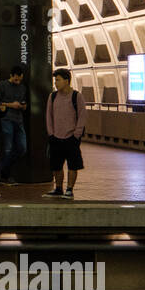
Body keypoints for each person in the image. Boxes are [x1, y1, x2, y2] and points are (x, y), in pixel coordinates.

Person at [44, 68, 86, 199]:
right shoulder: (53, 96)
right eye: (55, 80)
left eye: (58, 80)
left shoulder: (76, 96)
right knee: (56, 165)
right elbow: (48, 116)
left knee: (73, 164)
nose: (56, 83)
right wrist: (51, 133)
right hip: (56, 137)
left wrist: (76, 134)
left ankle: (69, 189)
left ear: (66, 81)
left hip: (71, 137)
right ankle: (58, 188)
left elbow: (82, 116)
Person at [0, 64, 28, 185]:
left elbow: (24, 103)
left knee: (22, 148)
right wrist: (11, 105)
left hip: (19, 120)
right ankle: (6, 175)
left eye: (20, 79)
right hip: (6, 119)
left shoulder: (22, 88)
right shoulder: (2, 86)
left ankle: (2, 168)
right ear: (11, 75)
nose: (18, 81)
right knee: (8, 148)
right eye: (16, 79)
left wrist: (23, 106)